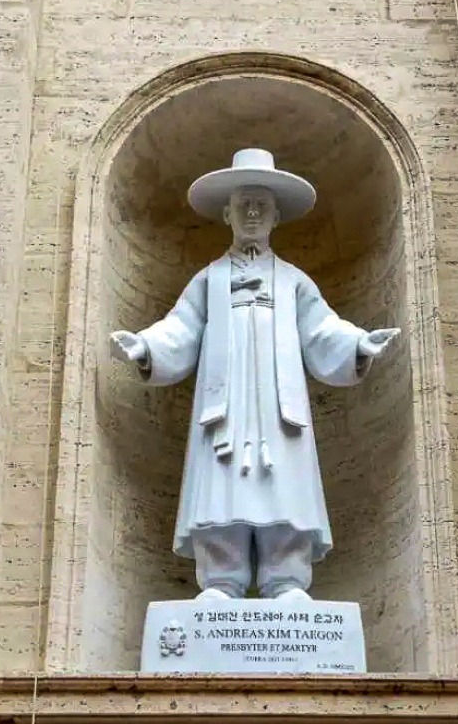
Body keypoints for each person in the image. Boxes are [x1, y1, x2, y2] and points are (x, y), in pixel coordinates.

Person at [109, 148, 400, 602]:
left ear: (275, 216)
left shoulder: (293, 280)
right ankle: (221, 579)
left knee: (284, 482)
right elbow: (181, 327)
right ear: (227, 213)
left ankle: (286, 579)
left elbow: (322, 328)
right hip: (224, 405)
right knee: (221, 484)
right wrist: (146, 346)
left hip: (279, 404)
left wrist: (358, 344)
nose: (251, 213)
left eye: (261, 205)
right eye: (243, 204)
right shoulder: (209, 279)